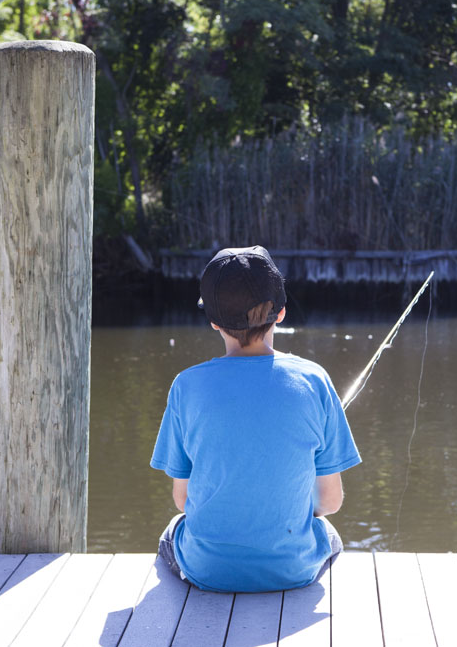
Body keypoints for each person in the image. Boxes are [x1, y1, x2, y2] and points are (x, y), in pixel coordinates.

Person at [150, 246, 361, 592]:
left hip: (207, 571)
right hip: (293, 571)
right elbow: (331, 502)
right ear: (280, 314)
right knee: (329, 534)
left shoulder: (186, 386)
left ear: (214, 321)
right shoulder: (315, 380)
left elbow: (182, 500)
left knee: (173, 529)